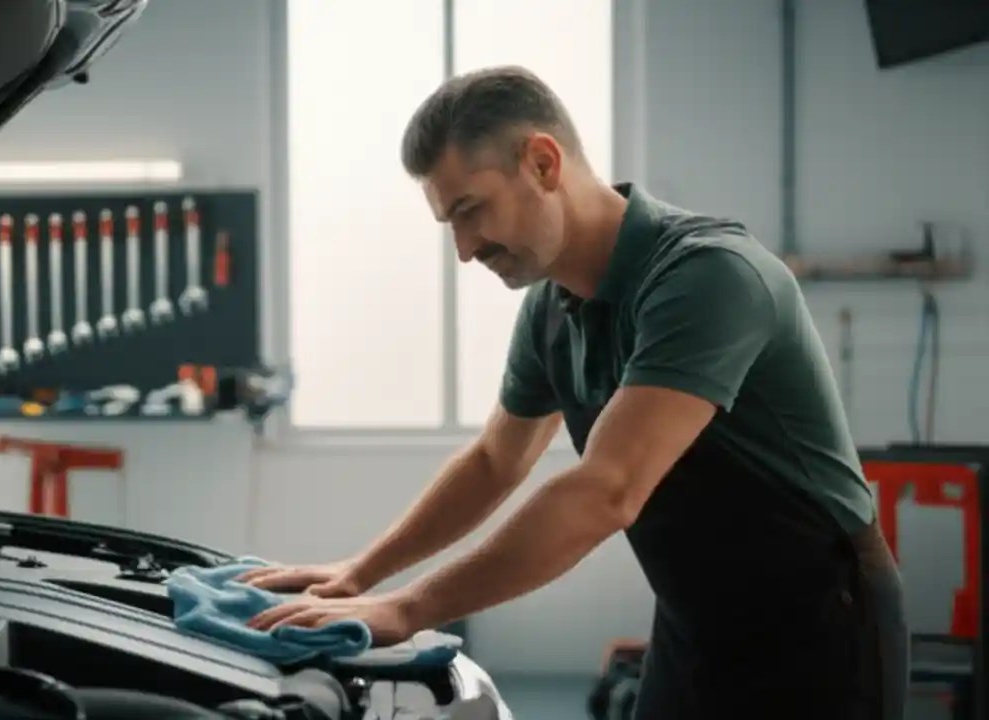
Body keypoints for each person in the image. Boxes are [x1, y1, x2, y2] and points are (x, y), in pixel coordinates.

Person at [241, 66, 908, 718]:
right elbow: (495, 462)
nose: (465, 249)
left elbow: (606, 491)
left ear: (542, 162)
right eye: (449, 223)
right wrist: (360, 573)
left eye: (471, 211)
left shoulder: (709, 278)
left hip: (819, 622)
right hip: (693, 622)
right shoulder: (551, 309)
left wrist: (408, 609)